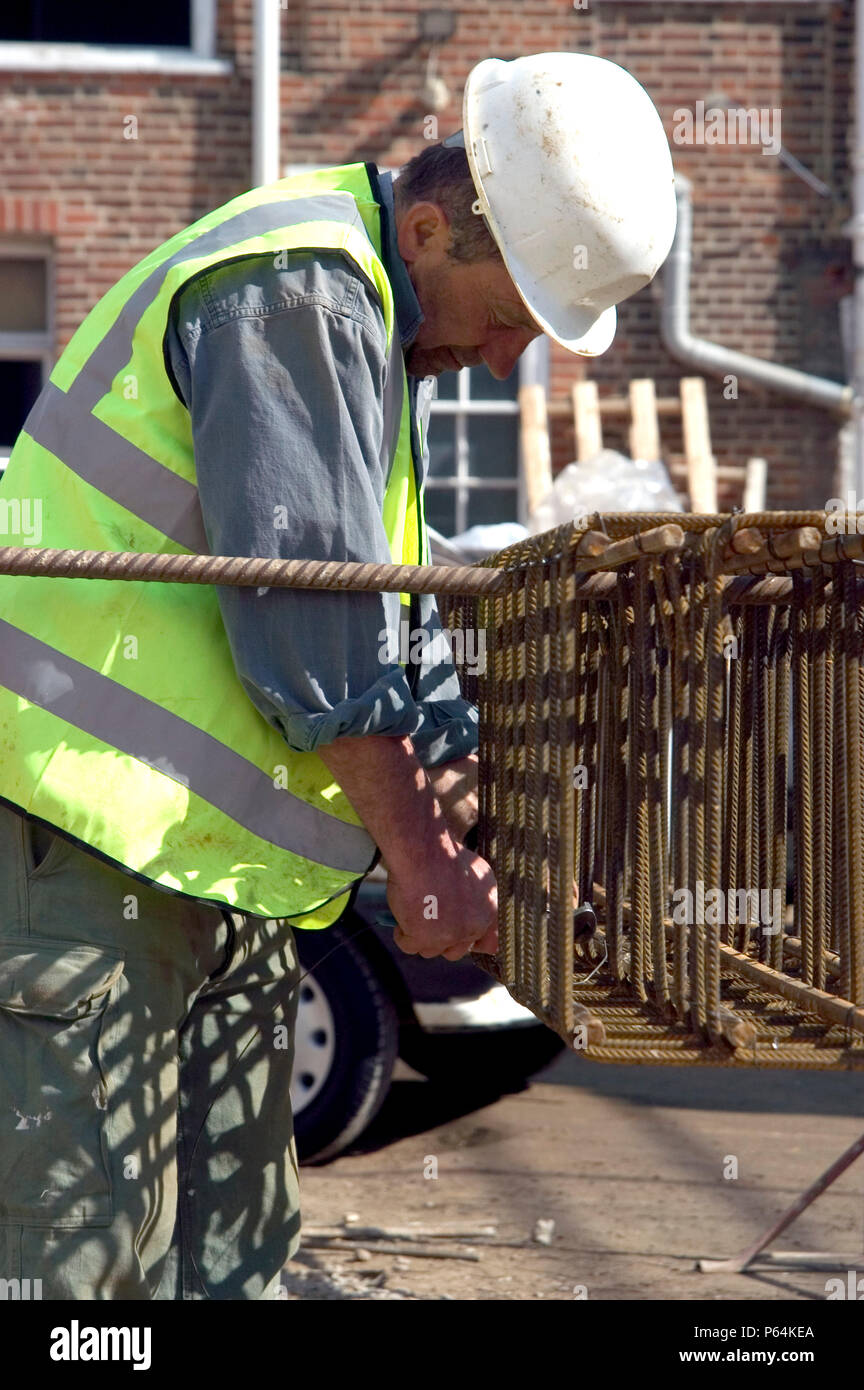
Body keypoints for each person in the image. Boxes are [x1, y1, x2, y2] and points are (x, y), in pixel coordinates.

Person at [0, 53, 676, 1299]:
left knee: (225, 1266)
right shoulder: (298, 287)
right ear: (429, 227)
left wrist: (461, 783)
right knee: (82, 1281)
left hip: (211, 871)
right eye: (513, 313)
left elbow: (377, 602)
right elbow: (307, 610)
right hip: (90, 841)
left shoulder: (366, 300)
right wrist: (419, 860)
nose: (505, 357)